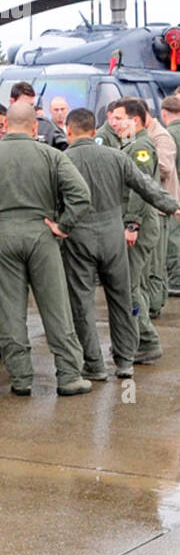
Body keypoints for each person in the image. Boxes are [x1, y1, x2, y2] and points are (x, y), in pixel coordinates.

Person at [0, 102, 92, 396]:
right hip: (42, 233)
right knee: (56, 308)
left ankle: (21, 379)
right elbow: (81, 194)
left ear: (5, 126)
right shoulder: (53, 155)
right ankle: (68, 376)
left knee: (9, 311)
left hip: (2, 234)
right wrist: (63, 225)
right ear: (35, 126)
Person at [63, 107, 177, 380]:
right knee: (121, 299)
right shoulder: (117, 157)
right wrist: (173, 206)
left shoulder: (62, 160)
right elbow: (147, 187)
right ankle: (125, 362)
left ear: (69, 131)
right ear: (94, 131)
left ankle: (94, 365)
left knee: (82, 302)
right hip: (113, 237)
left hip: (79, 239)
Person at [110, 100, 170, 364]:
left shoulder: (141, 147)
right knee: (132, 285)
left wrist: (132, 223)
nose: (115, 123)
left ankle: (145, 341)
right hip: (137, 224)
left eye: (120, 118)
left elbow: (140, 188)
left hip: (141, 226)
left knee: (130, 286)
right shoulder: (131, 145)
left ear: (135, 121)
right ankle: (135, 340)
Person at [142, 104, 177, 318]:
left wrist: (141, 164)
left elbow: (164, 167)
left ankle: (154, 307)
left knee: (156, 262)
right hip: (153, 204)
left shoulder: (160, 137)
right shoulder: (146, 134)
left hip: (160, 207)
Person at [8, 81, 68, 150]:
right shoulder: (2, 126)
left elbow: (65, 148)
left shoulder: (45, 126)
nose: (29, 109)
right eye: (24, 105)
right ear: (12, 102)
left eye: (31, 105)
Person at [162, 94, 180, 295]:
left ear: (164, 113)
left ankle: (176, 280)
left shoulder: (169, 136)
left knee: (174, 237)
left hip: (176, 192)